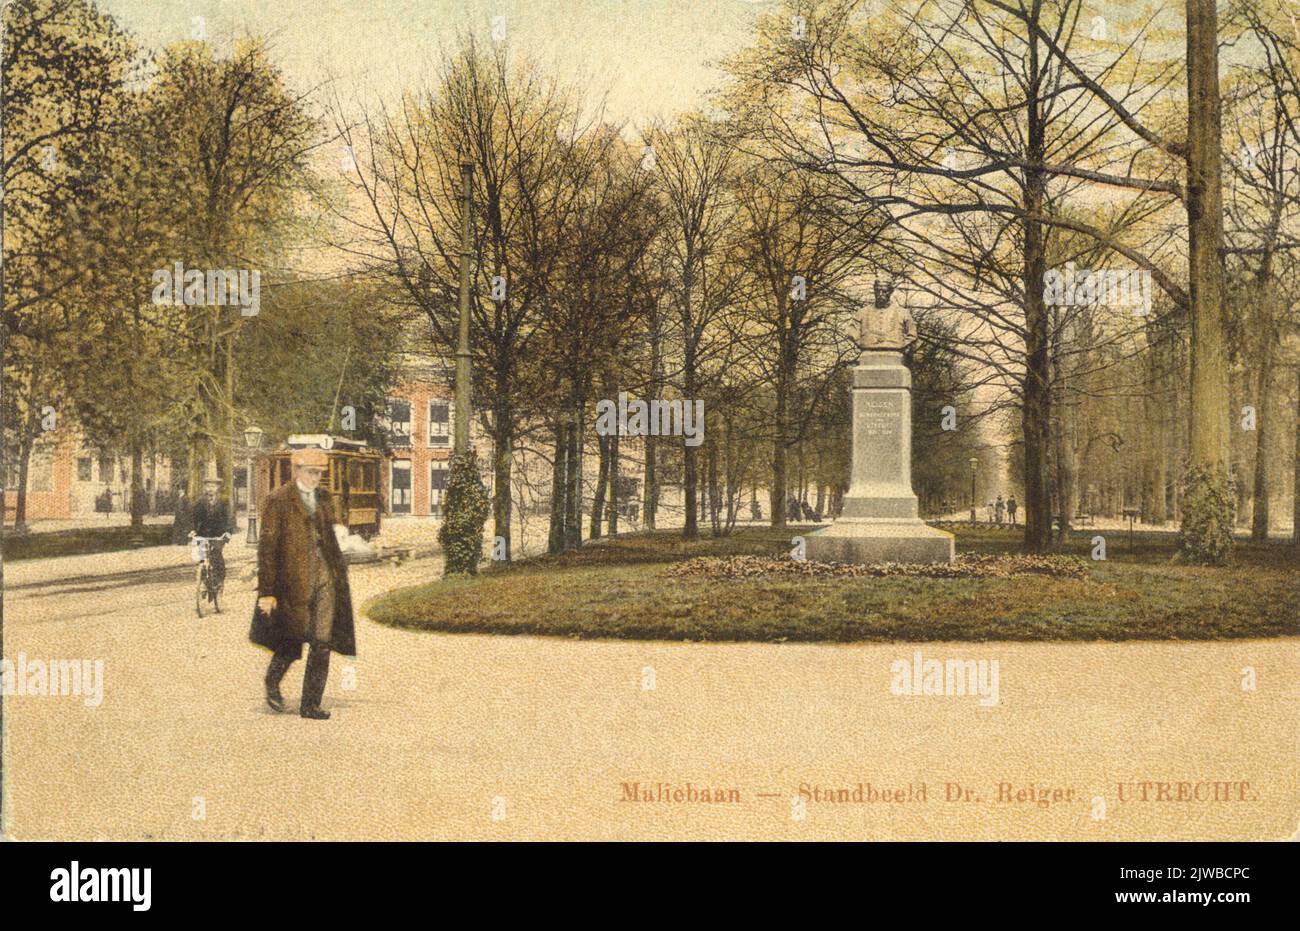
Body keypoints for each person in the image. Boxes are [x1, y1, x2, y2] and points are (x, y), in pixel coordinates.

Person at [250, 447, 356, 720]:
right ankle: (272, 682)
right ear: (297, 470)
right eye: (311, 472)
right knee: (290, 640)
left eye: (320, 473)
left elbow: (332, 534)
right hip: (293, 582)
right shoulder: (279, 500)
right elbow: (268, 549)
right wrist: (267, 592)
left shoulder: (324, 498)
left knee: (322, 641)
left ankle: (310, 704)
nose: (316, 478)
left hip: (325, 578)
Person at [193, 479, 229, 589]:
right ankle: (203, 579)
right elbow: (194, 517)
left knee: (216, 555)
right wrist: (192, 529)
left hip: (219, 534)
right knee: (201, 556)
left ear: (218, 488)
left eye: (213, 486)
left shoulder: (223, 501)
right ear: (205, 488)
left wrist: (228, 531)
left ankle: (219, 578)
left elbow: (229, 517)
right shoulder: (200, 501)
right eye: (208, 486)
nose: (210, 489)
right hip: (203, 533)